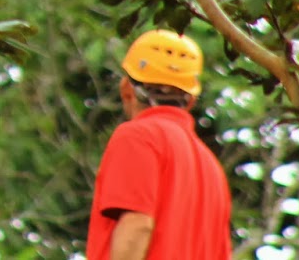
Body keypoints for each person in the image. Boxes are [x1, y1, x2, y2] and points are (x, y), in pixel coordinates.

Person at [86, 29, 232, 260]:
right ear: (191, 100)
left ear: (126, 89)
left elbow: (138, 224)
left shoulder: (138, 137)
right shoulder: (212, 168)